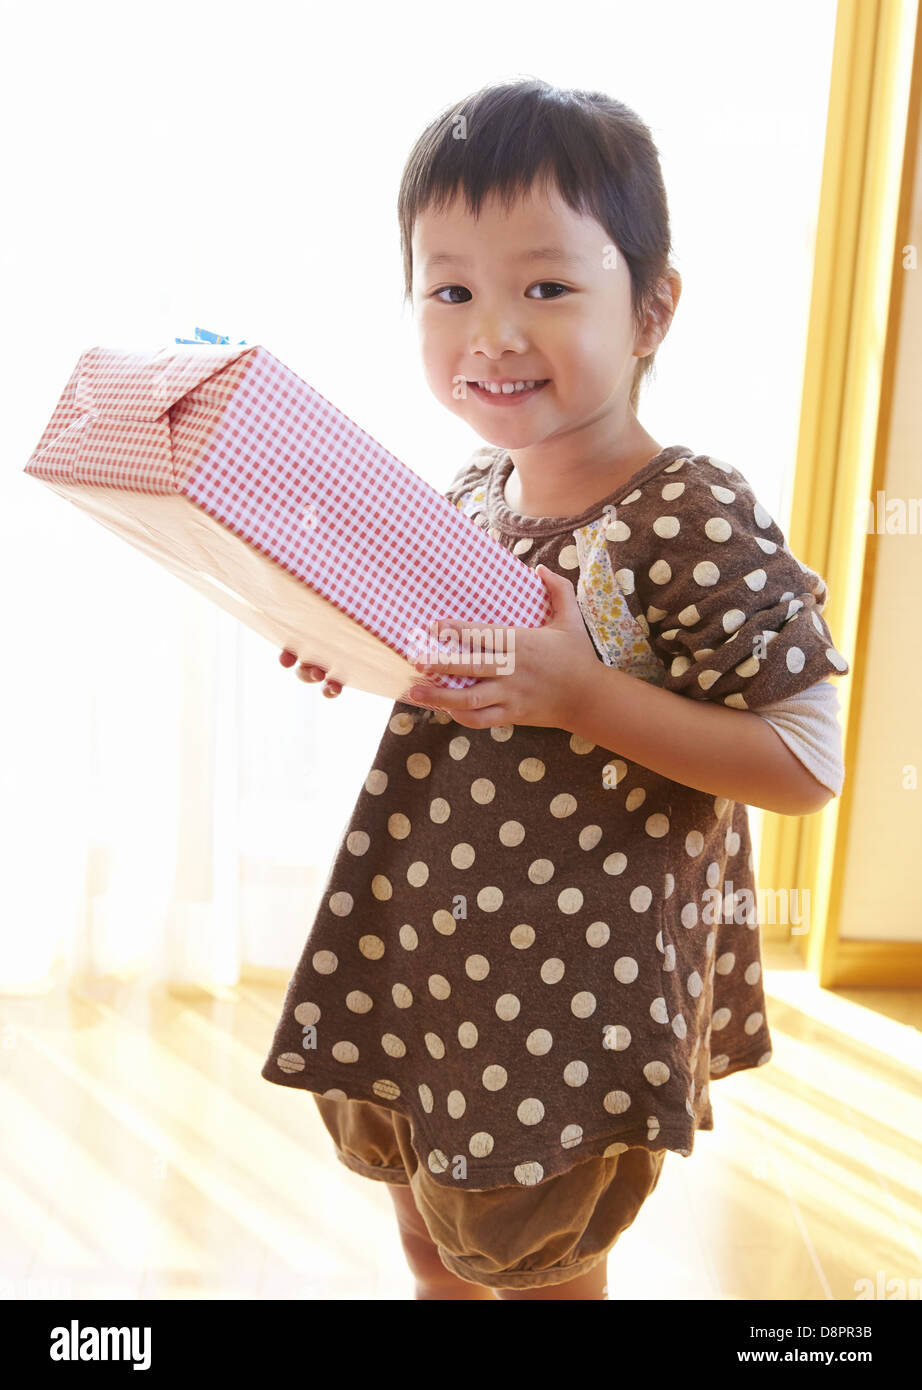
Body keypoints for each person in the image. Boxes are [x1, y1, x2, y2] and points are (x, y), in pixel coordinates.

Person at [264, 77, 849, 1300]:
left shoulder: (684, 512)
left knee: (535, 1256)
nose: (492, 333)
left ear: (651, 307)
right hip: (428, 954)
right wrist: (350, 639)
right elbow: (437, 664)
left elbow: (806, 761)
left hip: (568, 994)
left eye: (546, 287)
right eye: (451, 289)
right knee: (429, 1233)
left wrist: (587, 696)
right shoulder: (472, 494)